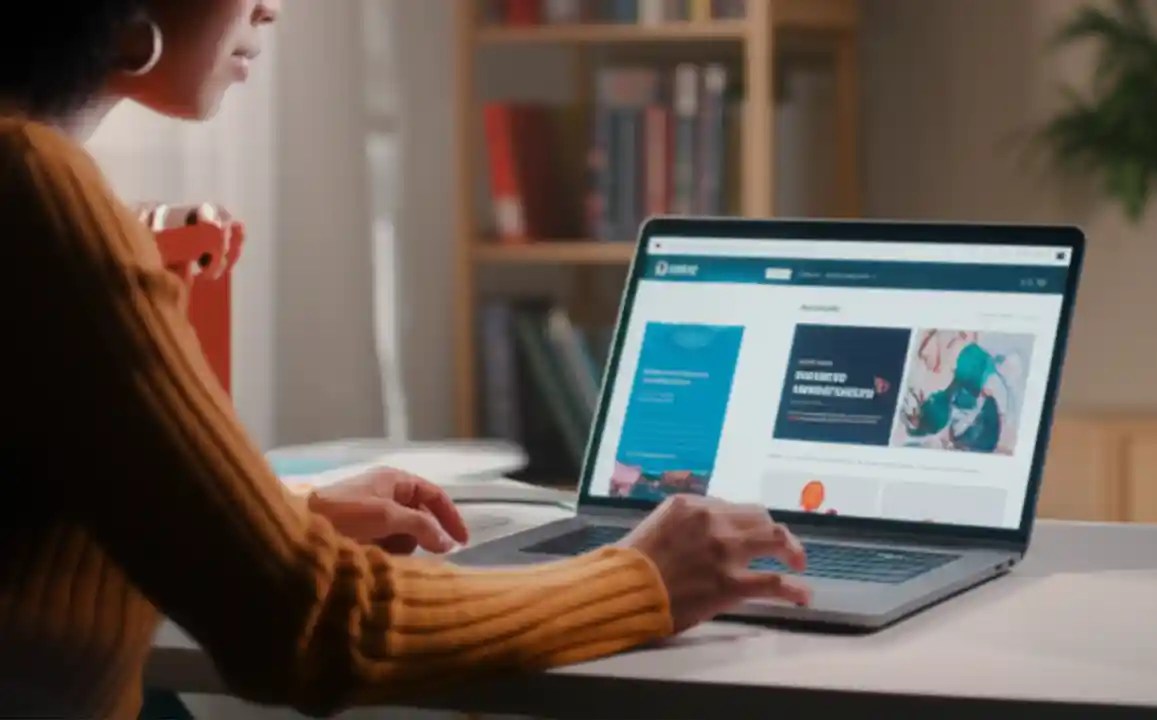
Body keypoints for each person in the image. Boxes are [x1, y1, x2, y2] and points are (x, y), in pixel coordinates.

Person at [0, 2, 812, 718]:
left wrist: (278, 516)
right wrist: (642, 580)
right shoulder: (35, 191)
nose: (273, 9)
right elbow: (313, 625)